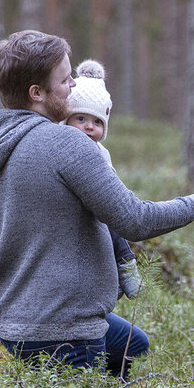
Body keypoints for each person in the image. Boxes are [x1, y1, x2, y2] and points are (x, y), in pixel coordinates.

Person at [0, 30, 194, 378]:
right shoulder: (65, 143)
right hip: (65, 329)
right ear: (37, 93)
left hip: (14, 321)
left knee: (133, 346)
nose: (74, 87)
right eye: (65, 80)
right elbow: (135, 220)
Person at [63, 58, 143, 299]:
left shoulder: (101, 152)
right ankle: (121, 269)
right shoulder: (61, 146)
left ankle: (126, 265)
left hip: (101, 208)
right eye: (81, 119)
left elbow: (111, 185)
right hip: (75, 213)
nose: (89, 127)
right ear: (66, 119)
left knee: (113, 231)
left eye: (97, 122)